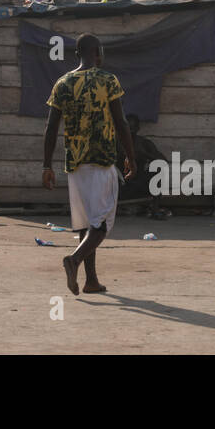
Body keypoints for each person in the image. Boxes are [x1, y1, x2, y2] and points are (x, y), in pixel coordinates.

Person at [42, 34, 135, 296]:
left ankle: (91, 281)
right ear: (98, 53)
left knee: (85, 223)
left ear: (76, 54)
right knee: (101, 224)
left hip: (75, 162)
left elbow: (50, 128)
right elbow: (121, 123)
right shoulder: (107, 80)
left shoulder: (63, 83)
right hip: (102, 159)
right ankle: (73, 260)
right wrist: (131, 156)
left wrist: (46, 166)